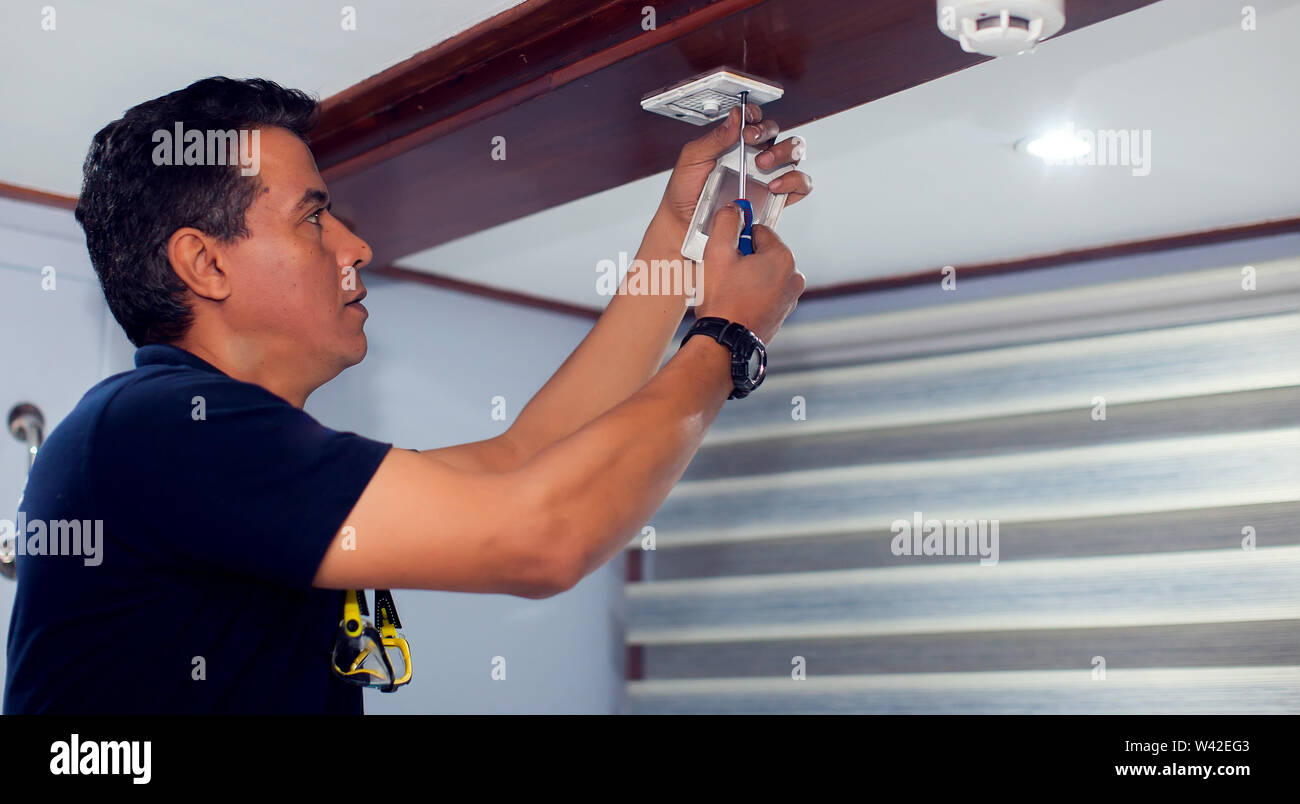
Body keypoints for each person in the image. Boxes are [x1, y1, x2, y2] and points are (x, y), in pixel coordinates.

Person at [3, 76, 809, 713]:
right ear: (204, 264)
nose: (358, 245)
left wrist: (681, 232)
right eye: (314, 220)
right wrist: (727, 340)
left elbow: (520, 461)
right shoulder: (153, 429)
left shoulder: (213, 451)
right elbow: (542, 538)